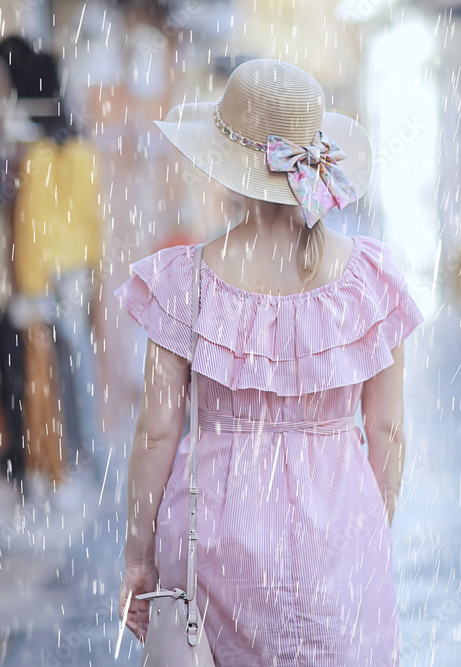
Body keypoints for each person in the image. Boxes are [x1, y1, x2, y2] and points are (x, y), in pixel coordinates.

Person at [116, 59, 424, 665]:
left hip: (214, 538)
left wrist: (137, 556)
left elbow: (156, 431)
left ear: (228, 174)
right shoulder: (369, 280)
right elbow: (387, 430)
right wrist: (365, 527)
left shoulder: (185, 282)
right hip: (335, 533)